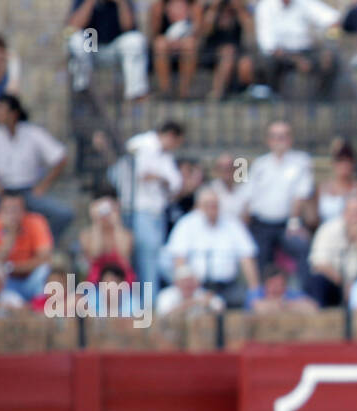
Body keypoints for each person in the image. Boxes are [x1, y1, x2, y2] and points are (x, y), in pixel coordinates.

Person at [0, 95, 74, 241]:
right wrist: (5, 199)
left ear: (13, 113)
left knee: (63, 214)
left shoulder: (33, 133)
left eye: (1, 109)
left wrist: (43, 186)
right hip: (3, 192)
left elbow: (60, 158)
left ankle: (42, 247)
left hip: (28, 192)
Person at [243, 121, 315, 282]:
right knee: (254, 254)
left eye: (282, 136)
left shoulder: (301, 161)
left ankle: (304, 294)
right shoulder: (259, 164)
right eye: (274, 137)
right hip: (260, 225)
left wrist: (294, 223)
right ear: (268, 140)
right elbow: (247, 197)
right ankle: (260, 298)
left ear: (290, 139)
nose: (278, 140)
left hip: (288, 224)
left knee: (302, 247)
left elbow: (301, 195)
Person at [164, 186, 260, 305]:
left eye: (215, 204)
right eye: (207, 204)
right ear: (199, 205)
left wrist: (254, 290)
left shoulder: (232, 223)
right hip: (196, 288)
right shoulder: (186, 224)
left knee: (246, 301)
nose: (212, 208)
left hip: (228, 285)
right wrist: (186, 288)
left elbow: (247, 257)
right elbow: (179, 261)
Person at [124, 120, 184, 289]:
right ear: (171, 136)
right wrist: (162, 179)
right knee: (147, 258)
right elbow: (143, 174)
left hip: (157, 210)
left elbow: (176, 184)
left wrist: (161, 179)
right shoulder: (143, 145)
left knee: (156, 257)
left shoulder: (165, 155)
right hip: (141, 210)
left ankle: (153, 300)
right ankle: (150, 304)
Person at [307, 193, 357, 305]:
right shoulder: (328, 229)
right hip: (334, 280)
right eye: (352, 213)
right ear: (344, 213)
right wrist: (344, 284)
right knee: (318, 280)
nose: (355, 218)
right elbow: (319, 263)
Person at [66, 0, 150, 102]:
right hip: (91, 48)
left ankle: (136, 93)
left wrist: (121, 3)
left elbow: (128, 27)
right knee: (76, 38)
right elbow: (74, 26)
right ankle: (82, 88)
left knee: (135, 40)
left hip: (115, 47)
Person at [0, 190, 53, 300]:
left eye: (16, 209)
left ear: (24, 211)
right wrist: (10, 235)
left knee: (44, 269)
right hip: (6, 280)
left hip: (30, 276)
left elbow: (45, 257)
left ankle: (39, 303)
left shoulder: (36, 222)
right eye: (7, 210)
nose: (12, 215)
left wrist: (13, 268)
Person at [253, 0, 340, 96]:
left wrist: (331, 33)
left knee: (328, 60)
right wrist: (297, 61)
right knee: (267, 63)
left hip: (306, 51)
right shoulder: (265, 6)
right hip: (280, 55)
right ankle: (273, 97)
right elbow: (268, 45)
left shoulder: (304, 2)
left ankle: (322, 101)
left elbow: (331, 18)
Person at [200, 0, 256, 99]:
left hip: (236, 51)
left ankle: (244, 95)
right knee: (227, 53)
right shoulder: (211, 9)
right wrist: (214, 7)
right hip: (213, 51)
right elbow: (205, 32)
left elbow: (250, 32)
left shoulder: (240, 10)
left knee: (245, 63)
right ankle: (217, 94)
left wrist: (239, 8)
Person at [148, 0, 202, 99]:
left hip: (186, 40)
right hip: (166, 42)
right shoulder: (159, 5)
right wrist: (159, 14)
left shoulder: (193, 5)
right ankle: (165, 90)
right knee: (160, 44)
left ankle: (184, 91)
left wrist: (188, 15)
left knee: (189, 45)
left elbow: (198, 33)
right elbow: (154, 34)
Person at [80, 189, 135, 282]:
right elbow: (94, 254)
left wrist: (116, 223)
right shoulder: (86, 235)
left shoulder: (126, 234)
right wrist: (96, 222)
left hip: (121, 283)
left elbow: (123, 254)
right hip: (97, 283)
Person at [155, 262, 223, 316]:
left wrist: (209, 304)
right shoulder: (166, 295)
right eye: (184, 281)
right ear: (176, 283)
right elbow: (163, 315)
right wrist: (192, 303)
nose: (188, 284)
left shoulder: (201, 293)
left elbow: (220, 307)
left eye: (191, 281)